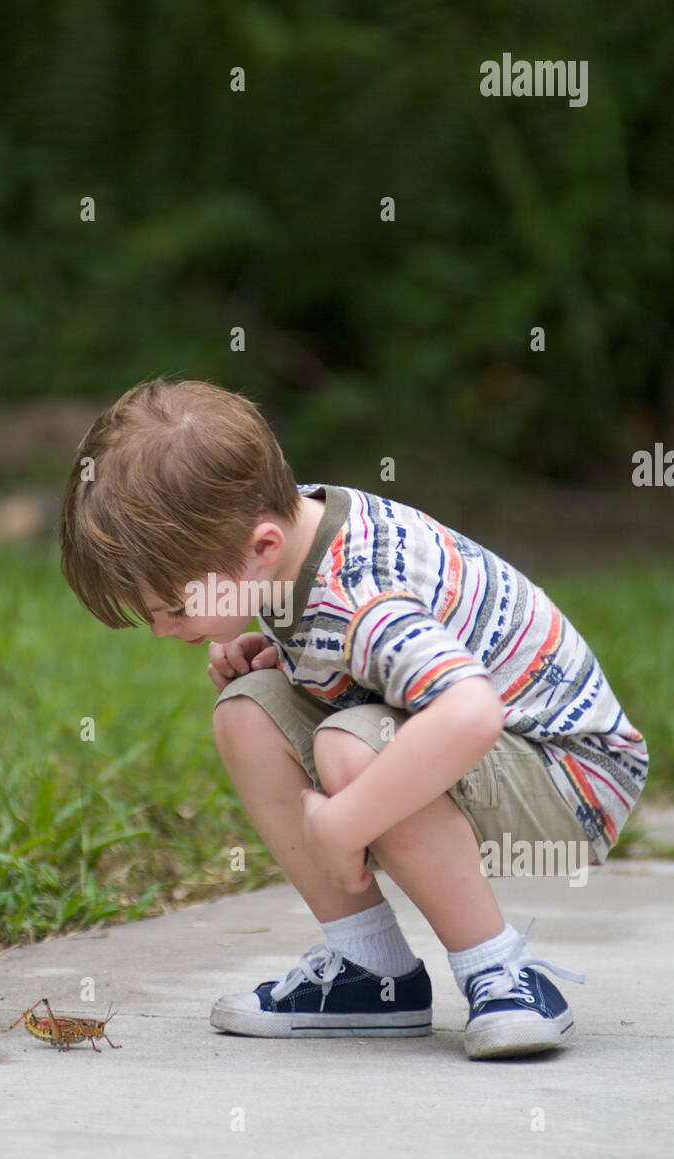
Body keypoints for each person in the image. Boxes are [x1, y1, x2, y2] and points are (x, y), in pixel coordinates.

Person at [59, 376, 649, 1059]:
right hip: (509, 753)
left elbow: (471, 711)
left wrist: (344, 823)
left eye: (176, 608)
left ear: (263, 546)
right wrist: (285, 656)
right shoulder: (289, 538)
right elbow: (368, 663)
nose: (164, 630)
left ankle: (503, 972)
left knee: (350, 749)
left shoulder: (359, 596)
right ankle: (374, 974)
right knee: (247, 715)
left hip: (571, 772)